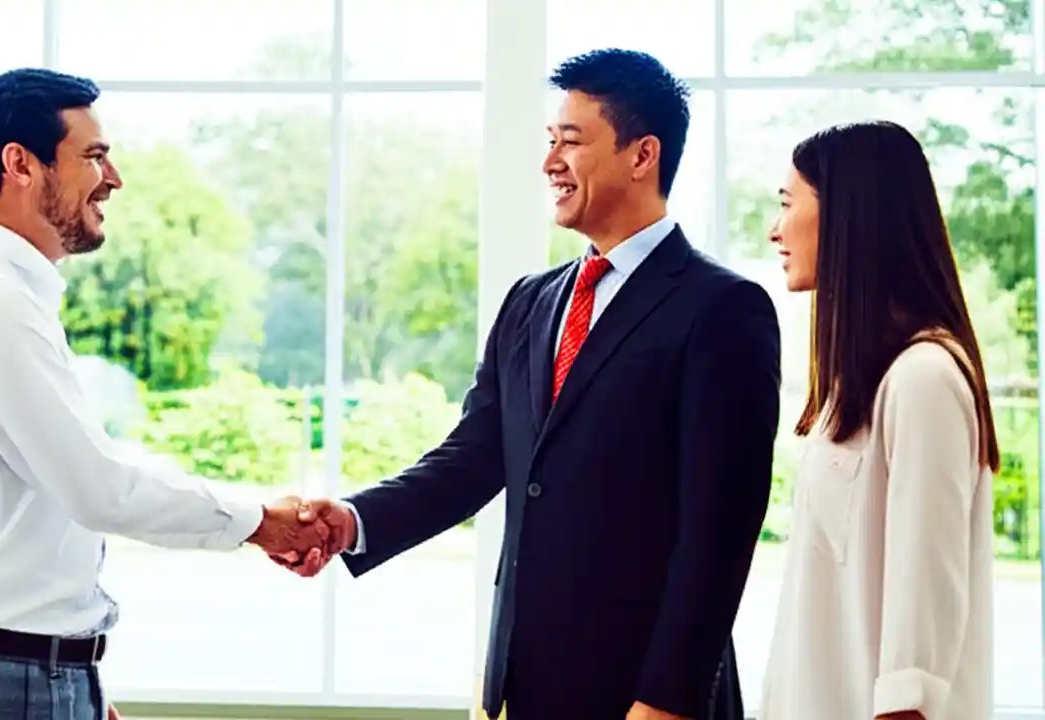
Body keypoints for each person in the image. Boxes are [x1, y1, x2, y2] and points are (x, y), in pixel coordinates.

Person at [277, 49, 782, 720]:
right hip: (528, 683)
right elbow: (475, 456)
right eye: (549, 141)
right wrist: (354, 520)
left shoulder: (722, 309)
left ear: (642, 155)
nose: (550, 162)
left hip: (648, 694)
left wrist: (667, 701)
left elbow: (719, 535)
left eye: (570, 142)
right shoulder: (531, 301)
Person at [0, 68, 330, 720]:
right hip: (4, 685)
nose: (114, 178)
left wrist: (74, 679)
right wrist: (258, 521)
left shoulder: (6, 297)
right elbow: (97, 487)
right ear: (20, 164)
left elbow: (56, 497)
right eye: (93, 156)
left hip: (26, 676)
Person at [758, 120, 998, 720]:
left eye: (788, 205)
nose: (775, 230)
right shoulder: (861, 387)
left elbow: (922, 625)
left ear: (845, 217)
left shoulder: (924, 380)